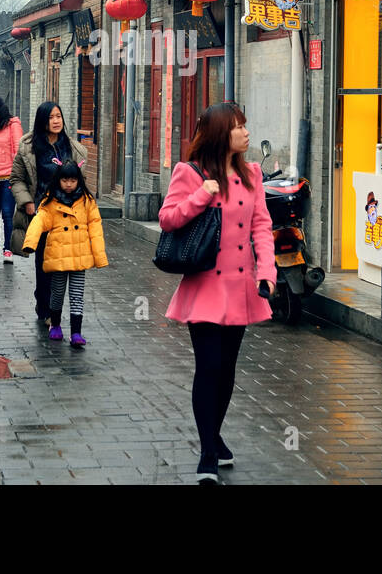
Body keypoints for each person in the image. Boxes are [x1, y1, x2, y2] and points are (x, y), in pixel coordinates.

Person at [159, 102, 275, 484]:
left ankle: (215, 435)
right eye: (239, 126)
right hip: (205, 286)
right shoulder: (190, 173)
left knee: (226, 370)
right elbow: (168, 218)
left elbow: (261, 226)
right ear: (220, 133)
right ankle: (208, 452)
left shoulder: (252, 174)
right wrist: (202, 195)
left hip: (242, 288)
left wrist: (268, 273)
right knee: (208, 367)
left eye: (245, 125)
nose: (245, 132)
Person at [10, 101, 86, 326]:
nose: (56, 121)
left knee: (64, 264)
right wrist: (27, 202)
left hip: (68, 215)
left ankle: (56, 310)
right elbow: (17, 179)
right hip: (42, 214)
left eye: (59, 116)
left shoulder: (73, 148)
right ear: (43, 120)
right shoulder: (29, 147)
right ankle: (45, 307)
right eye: (51, 117)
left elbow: (81, 182)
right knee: (45, 263)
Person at [21, 160, 107, 347]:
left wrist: (99, 255)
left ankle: (76, 332)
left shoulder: (87, 201)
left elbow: (96, 227)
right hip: (58, 256)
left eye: (73, 180)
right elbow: (39, 222)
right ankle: (56, 325)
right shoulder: (50, 201)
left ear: (79, 181)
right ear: (58, 180)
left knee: (77, 295)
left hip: (79, 256)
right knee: (57, 293)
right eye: (65, 180)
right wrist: (30, 243)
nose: (69, 184)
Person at [0, 96, 22, 261]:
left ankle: (8, 248)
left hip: (9, 175)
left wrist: (18, 175)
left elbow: (18, 151)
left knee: (7, 213)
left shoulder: (13, 125)